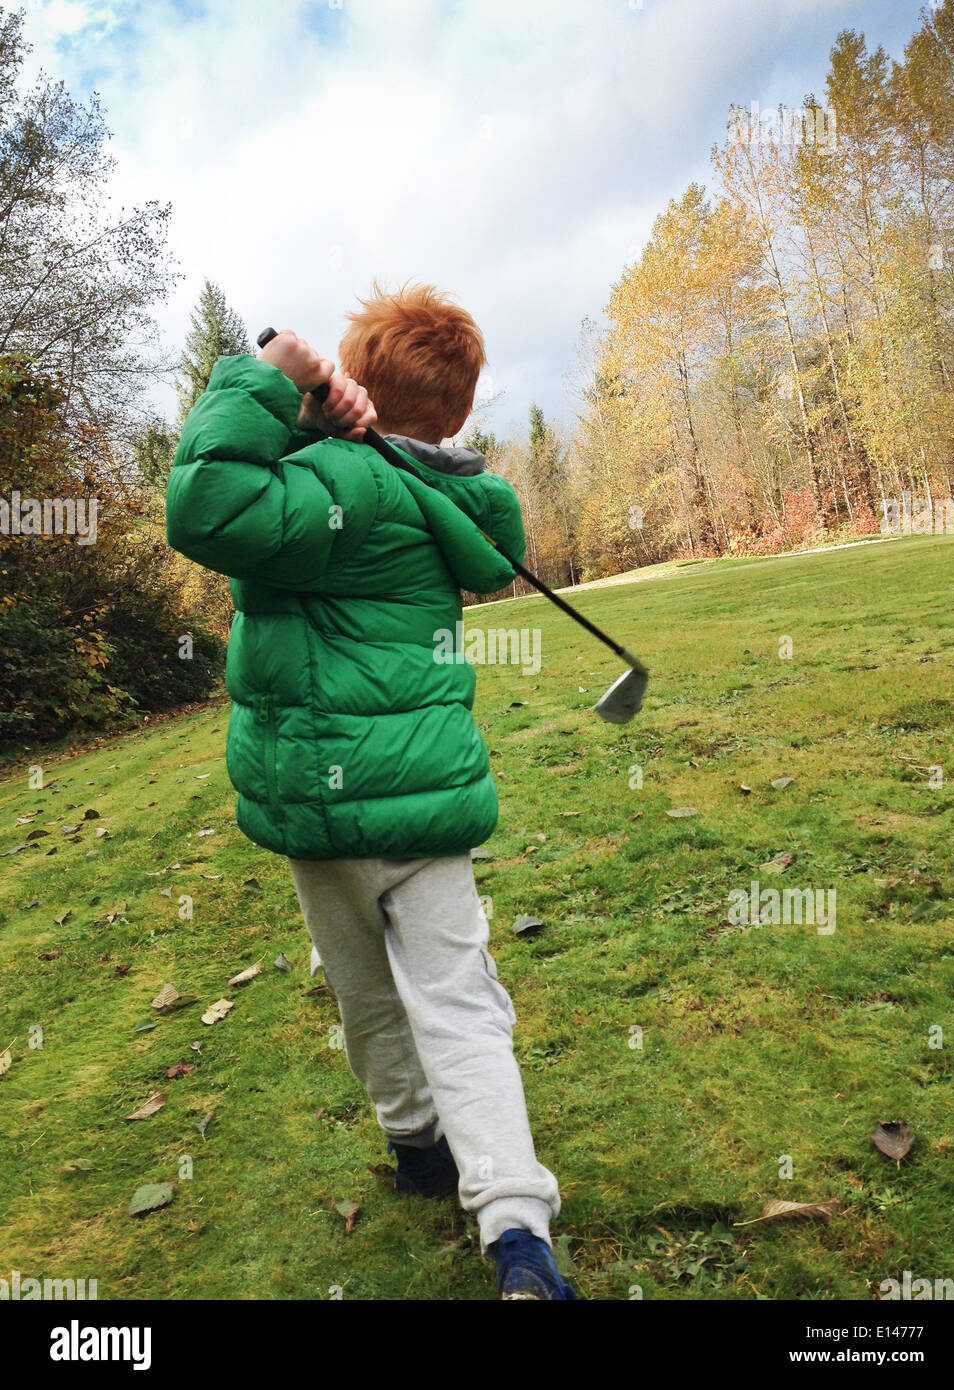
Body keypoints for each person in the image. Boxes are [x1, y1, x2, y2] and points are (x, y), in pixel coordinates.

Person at [165, 281, 576, 1301]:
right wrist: (323, 421)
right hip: (425, 804)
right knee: (460, 1004)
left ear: (355, 385)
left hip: (319, 805)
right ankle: (515, 1227)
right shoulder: (452, 503)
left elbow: (202, 502)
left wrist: (271, 382)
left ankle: (415, 1144)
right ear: (458, 415)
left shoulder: (323, 486)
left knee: (364, 995)